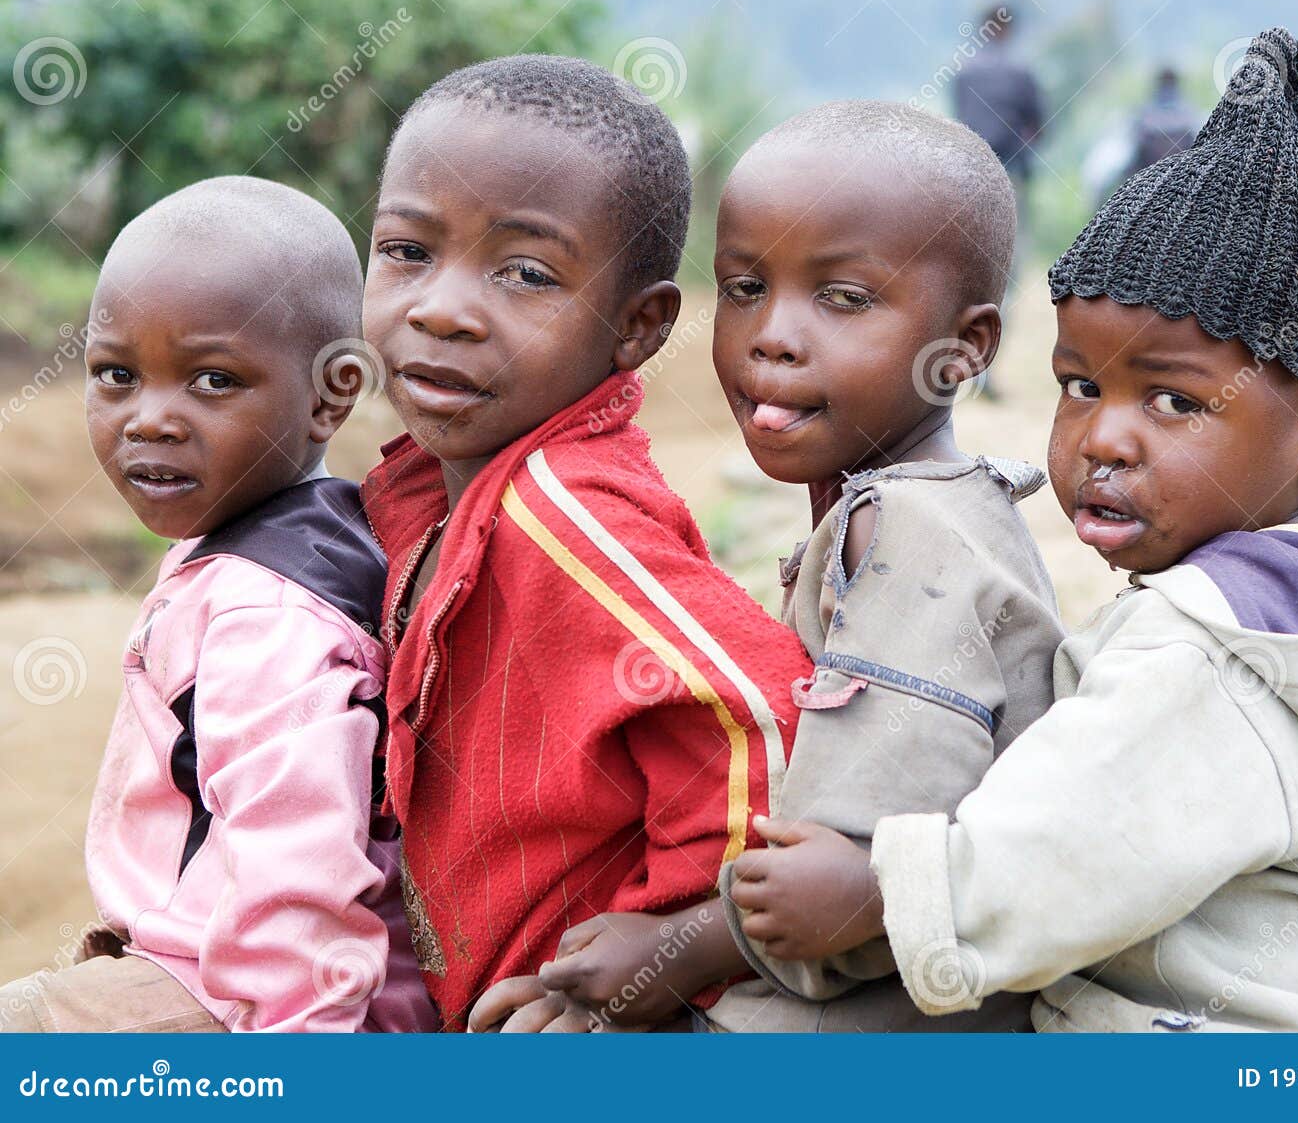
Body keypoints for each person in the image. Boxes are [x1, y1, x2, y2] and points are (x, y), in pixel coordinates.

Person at [723, 28, 1298, 1032]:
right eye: (1080, 386)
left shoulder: (1204, 651)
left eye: (1175, 403)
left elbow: (1069, 850)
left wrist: (878, 892)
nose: (1102, 438)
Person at [523, 102, 1065, 1032]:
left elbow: (855, 882)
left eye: (844, 298)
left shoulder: (904, 524)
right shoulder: (926, 506)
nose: (771, 335)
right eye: (742, 288)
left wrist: (679, 948)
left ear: (966, 347)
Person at [357, 55, 812, 1032]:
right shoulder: (424, 493)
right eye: (405, 251)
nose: (439, 306)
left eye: (525, 273)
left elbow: (765, 723)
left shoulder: (564, 514)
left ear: (637, 326)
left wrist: (675, 948)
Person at [0, 176, 434, 1032]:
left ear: (331, 391)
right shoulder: (305, 532)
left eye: (212, 379)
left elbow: (298, 874)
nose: (149, 419)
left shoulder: (264, 613)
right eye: (116, 374)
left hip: (243, 1003)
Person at [954, 3, 1045, 399]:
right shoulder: (1022, 74)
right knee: (1005, 276)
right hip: (1009, 180)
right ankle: (984, 373)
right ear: (1008, 31)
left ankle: (953, 368)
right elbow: (1041, 130)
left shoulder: (963, 73)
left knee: (960, 271)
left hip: (964, 181)